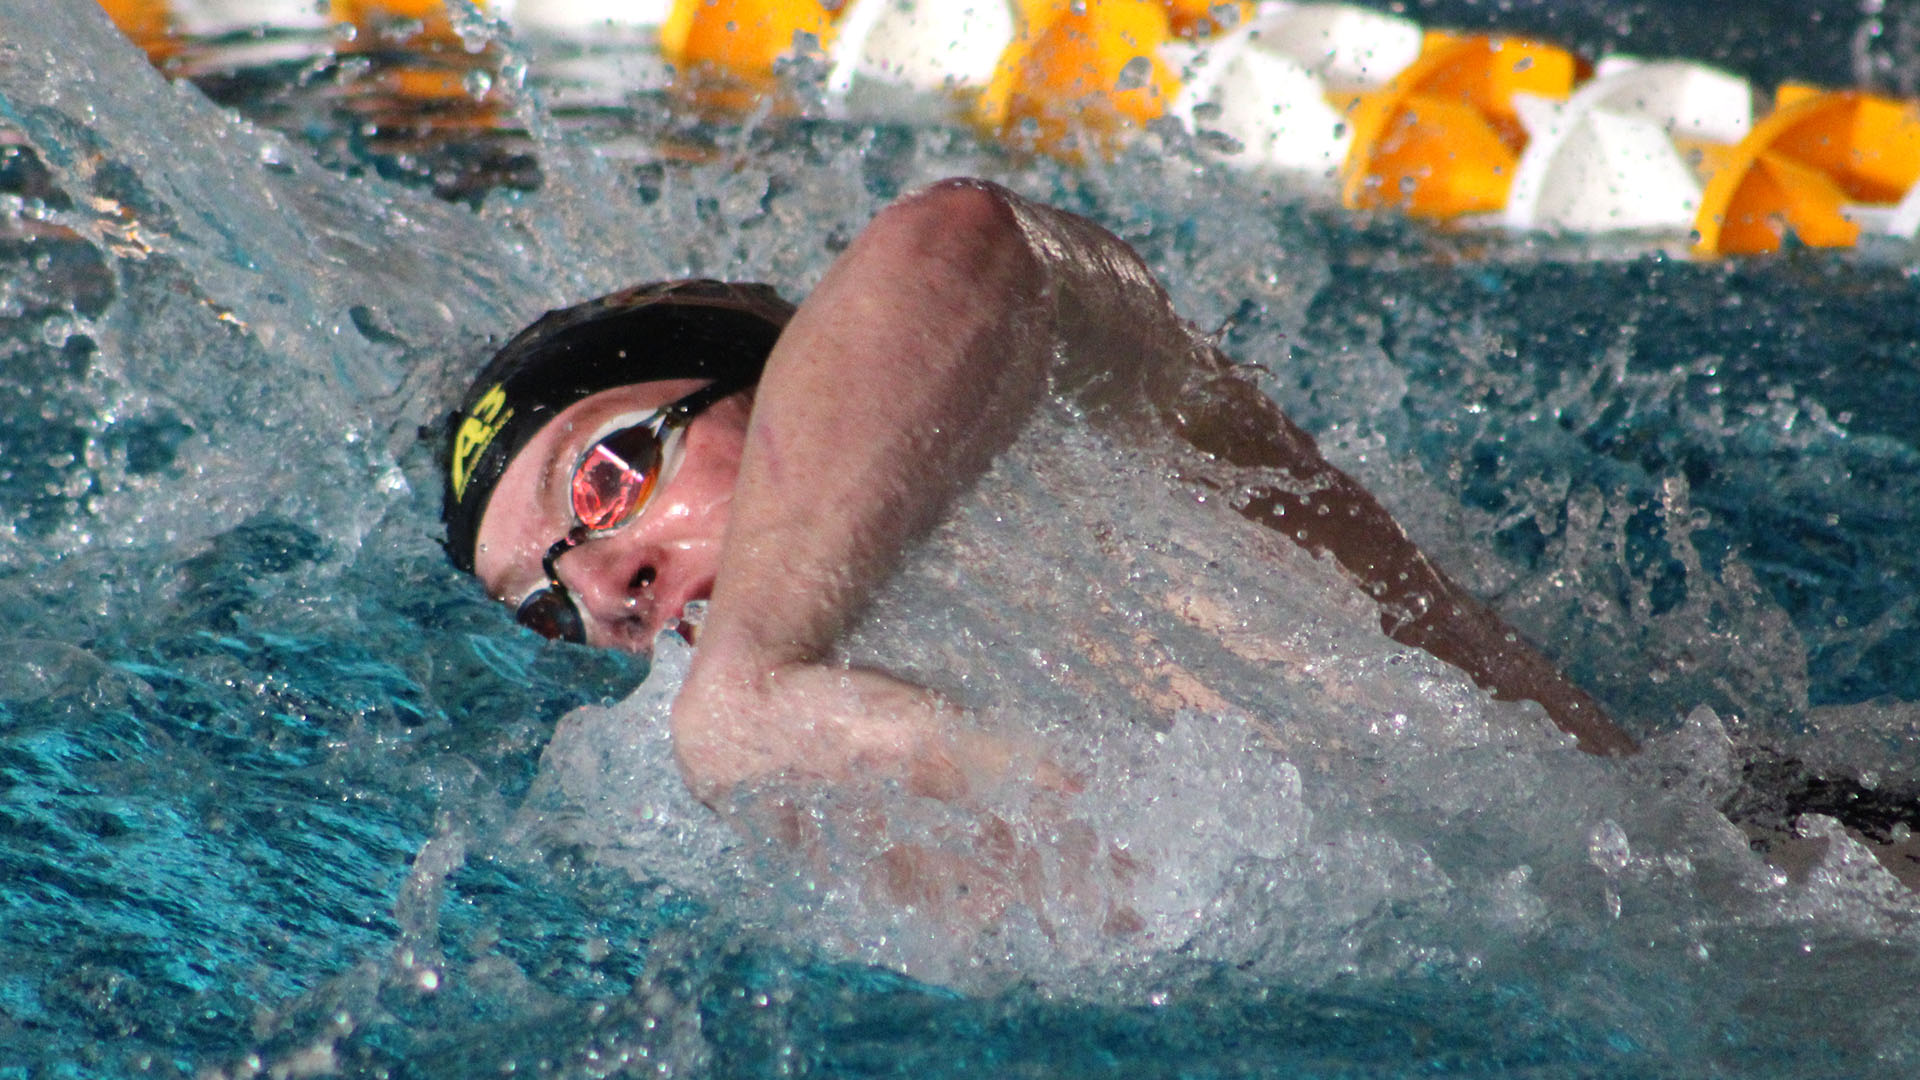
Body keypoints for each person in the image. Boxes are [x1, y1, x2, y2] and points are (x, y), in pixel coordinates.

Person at [441, 178, 1638, 824]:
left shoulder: (1087, 436)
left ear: (788, 370)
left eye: (605, 483)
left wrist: (754, 664)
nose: (606, 595)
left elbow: (965, 239)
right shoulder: (836, 780)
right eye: (550, 609)